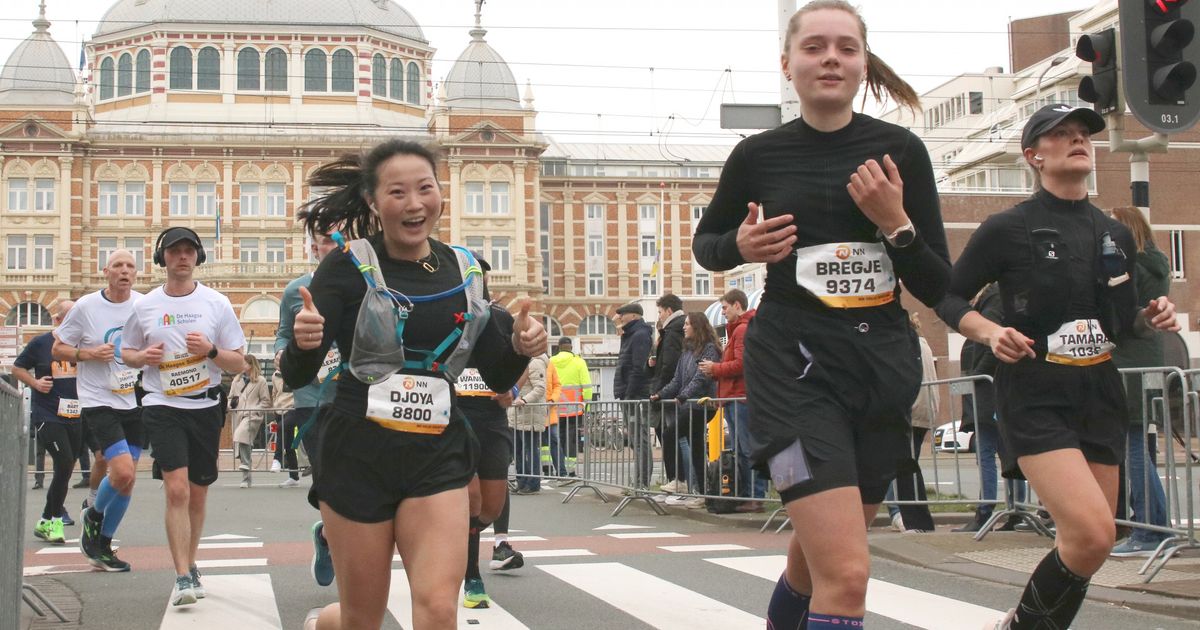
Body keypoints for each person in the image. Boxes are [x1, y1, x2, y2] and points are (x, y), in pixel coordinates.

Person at [693, 3, 951, 627]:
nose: (830, 57)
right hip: (791, 373)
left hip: (879, 372)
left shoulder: (901, 152)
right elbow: (708, 243)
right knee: (848, 574)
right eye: (814, 47)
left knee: (814, 563)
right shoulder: (757, 155)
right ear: (787, 64)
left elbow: (938, 279)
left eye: (845, 47)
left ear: (864, 64)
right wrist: (739, 248)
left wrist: (897, 225)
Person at [280, 139, 545, 630]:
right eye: (397, 192)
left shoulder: (464, 269)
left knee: (439, 609)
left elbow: (495, 375)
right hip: (357, 452)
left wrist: (521, 348)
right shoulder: (346, 264)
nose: (414, 203)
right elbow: (297, 373)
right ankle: (326, 623)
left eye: (425, 188)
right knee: (362, 618)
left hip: (436, 455)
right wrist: (304, 340)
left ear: (440, 192)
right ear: (373, 203)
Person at [934, 104, 1178, 630]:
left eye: (1083, 134)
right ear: (1033, 156)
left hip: (1099, 392)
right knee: (1093, 533)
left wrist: (1150, 315)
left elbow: (1117, 321)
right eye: (1060, 135)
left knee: (1086, 545)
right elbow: (949, 298)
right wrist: (991, 331)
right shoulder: (1008, 228)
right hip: (1036, 393)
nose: (1078, 141)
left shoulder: (1113, 233)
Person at [121, 228, 247, 605]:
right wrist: (143, 358)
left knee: (197, 492)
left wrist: (210, 351)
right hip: (162, 403)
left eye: (188, 250)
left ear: (198, 257)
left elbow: (239, 360)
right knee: (176, 487)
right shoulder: (143, 306)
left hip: (205, 404)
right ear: (163, 258)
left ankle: (190, 564)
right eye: (174, 251)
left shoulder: (217, 303)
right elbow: (126, 351)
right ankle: (180, 576)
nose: (182, 257)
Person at [53, 250, 144, 573]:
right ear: (105, 271)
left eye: (130, 266)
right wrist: (88, 353)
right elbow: (58, 347)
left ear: (137, 273)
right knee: (121, 472)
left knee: (128, 481)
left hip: (133, 398)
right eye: (117, 265)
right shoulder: (86, 307)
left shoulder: (142, 305)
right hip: (98, 399)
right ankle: (93, 513)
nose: (124, 271)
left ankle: (102, 543)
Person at [452, 253, 525, 609]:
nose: (471, 283)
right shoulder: (444, 318)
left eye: (475, 277)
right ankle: (471, 575)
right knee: (472, 499)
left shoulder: (499, 316)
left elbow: (521, 360)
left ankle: (451, 539)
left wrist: (511, 390)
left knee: (491, 507)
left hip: (491, 419)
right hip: (453, 416)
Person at [1108, 206, 1174, 558]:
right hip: (1147, 360)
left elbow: (1120, 314)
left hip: (1127, 363)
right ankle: (1154, 523)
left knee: (1133, 447)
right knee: (1141, 446)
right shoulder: (1157, 264)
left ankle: (1149, 529)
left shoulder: (1128, 268)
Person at [14, 300, 79, 545]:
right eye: (69, 318)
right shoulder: (41, 343)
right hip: (48, 413)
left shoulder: (81, 344)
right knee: (63, 463)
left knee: (67, 467)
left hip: (76, 413)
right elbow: (17, 368)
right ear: (57, 320)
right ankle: (53, 520)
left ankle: (44, 519)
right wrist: (35, 383)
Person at [698, 289, 765, 510]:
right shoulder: (740, 329)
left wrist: (715, 368)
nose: (723, 312)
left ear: (738, 305)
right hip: (736, 398)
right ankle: (749, 495)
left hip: (740, 398)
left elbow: (741, 363)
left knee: (747, 449)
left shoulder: (742, 330)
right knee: (742, 449)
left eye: (725, 307)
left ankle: (754, 496)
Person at [651, 312, 722, 508]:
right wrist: (661, 394)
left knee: (670, 434)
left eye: (688, 324)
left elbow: (700, 378)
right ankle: (702, 493)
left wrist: (683, 396)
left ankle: (680, 481)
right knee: (697, 447)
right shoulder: (687, 351)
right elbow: (677, 380)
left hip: (701, 405)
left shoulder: (708, 349)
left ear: (697, 327)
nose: (684, 327)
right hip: (688, 405)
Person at [885, 313, 938, 533]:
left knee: (903, 466)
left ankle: (911, 519)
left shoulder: (905, 344)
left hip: (910, 409)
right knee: (910, 464)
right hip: (923, 410)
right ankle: (917, 518)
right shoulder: (923, 344)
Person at [648, 294, 686, 492]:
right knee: (674, 436)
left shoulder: (672, 332)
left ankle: (680, 480)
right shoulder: (676, 329)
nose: (660, 316)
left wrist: (659, 391)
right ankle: (680, 480)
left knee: (672, 436)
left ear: (669, 311)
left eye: (661, 312)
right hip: (673, 391)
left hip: (669, 393)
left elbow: (669, 365)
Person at [613, 302, 654, 488]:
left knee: (640, 439)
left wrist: (629, 394)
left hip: (635, 395)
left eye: (623, 314)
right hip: (629, 394)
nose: (620, 317)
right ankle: (639, 480)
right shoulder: (631, 334)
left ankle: (642, 481)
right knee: (636, 439)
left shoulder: (640, 335)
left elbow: (638, 368)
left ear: (634, 316)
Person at [549, 336, 592, 479]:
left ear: (559, 347)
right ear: (571, 347)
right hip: (574, 409)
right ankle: (571, 471)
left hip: (554, 408)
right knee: (571, 440)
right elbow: (586, 386)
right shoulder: (579, 362)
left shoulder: (551, 362)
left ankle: (554, 469)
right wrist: (587, 406)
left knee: (556, 439)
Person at [510, 354, 550, 495]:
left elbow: (540, 388)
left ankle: (532, 484)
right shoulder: (520, 362)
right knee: (518, 451)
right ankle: (521, 482)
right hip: (517, 414)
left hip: (530, 413)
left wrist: (525, 400)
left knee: (530, 449)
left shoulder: (535, 363)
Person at [229, 354, 271, 488]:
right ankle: (246, 477)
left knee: (241, 435)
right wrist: (231, 404)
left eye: (244, 363)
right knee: (243, 442)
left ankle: (246, 465)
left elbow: (266, 401)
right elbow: (230, 398)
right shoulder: (236, 381)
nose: (242, 366)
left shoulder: (261, 381)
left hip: (253, 416)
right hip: (239, 415)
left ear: (251, 365)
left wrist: (254, 409)